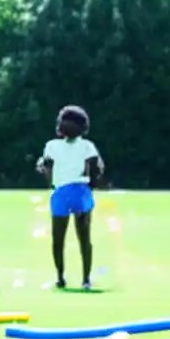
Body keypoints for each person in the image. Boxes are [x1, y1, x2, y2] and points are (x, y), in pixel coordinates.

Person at [40, 106, 102, 290]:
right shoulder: (87, 145)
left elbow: (47, 167)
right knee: (84, 237)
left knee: (58, 238)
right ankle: (86, 279)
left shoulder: (52, 145)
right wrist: (92, 185)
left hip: (61, 192)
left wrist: (51, 183)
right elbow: (96, 167)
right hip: (81, 191)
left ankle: (60, 277)